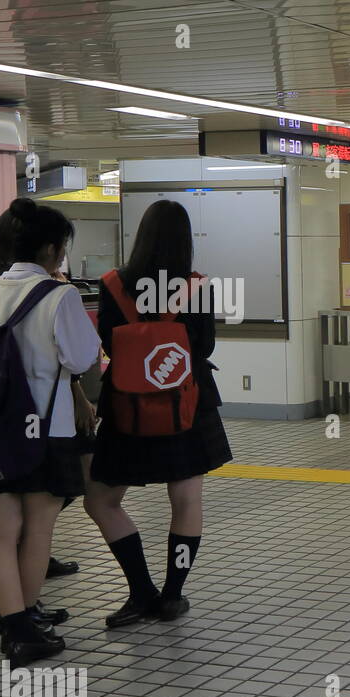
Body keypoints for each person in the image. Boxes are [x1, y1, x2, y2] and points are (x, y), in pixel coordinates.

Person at [83, 199, 233, 628]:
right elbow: (203, 347)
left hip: (127, 407)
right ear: (186, 241)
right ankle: (171, 594)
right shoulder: (195, 286)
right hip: (187, 404)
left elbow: (110, 345)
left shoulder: (112, 284)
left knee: (102, 500)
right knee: (185, 500)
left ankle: (139, 589)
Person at [0, 198, 100, 664]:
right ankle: (28, 623)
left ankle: (11, 626)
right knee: (38, 529)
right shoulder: (59, 295)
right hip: (45, 430)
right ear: (52, 249)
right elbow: (80, 358)